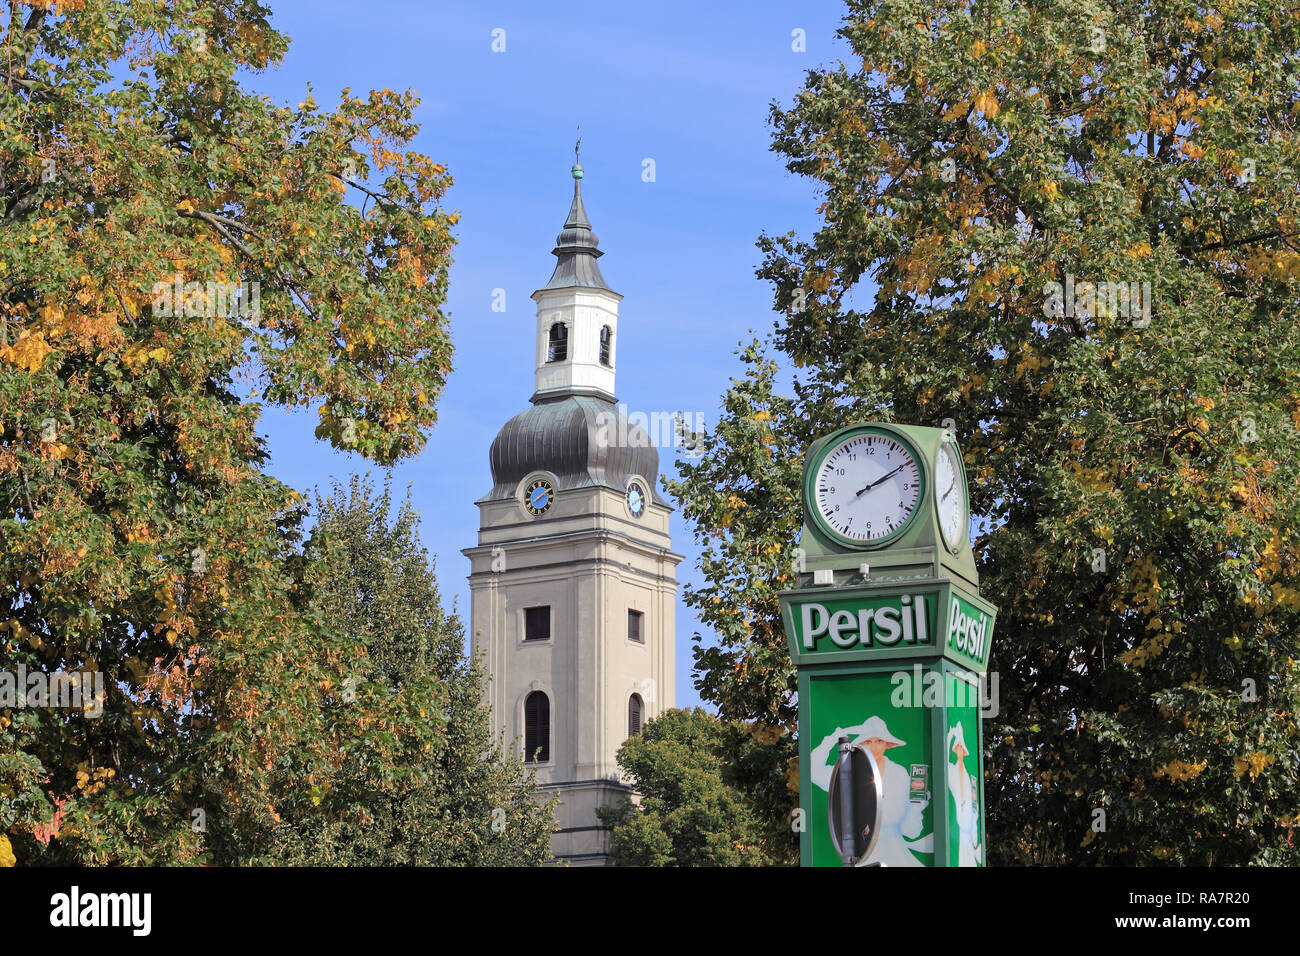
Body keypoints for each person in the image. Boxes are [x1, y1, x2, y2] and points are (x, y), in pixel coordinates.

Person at [811, 715, 931, 866]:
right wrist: (830, 740)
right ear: (861, 744)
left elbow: (912, 828)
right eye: (868, 741)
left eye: (879, 741)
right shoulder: (849, 773)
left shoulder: (899, 773)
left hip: (895, 852)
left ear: (887, 744)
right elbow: (814, 771)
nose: (874, 747)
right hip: (864, 852)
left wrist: (918, 806)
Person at [947, 721, 983, 867]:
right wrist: (949, 737)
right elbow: (943, 763)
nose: (959, 750)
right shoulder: (953, 769)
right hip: (960, 826)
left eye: (961, 747)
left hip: (969, 827)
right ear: (955, 750)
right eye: (957, 747)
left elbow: (974, 803)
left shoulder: (969, 775)